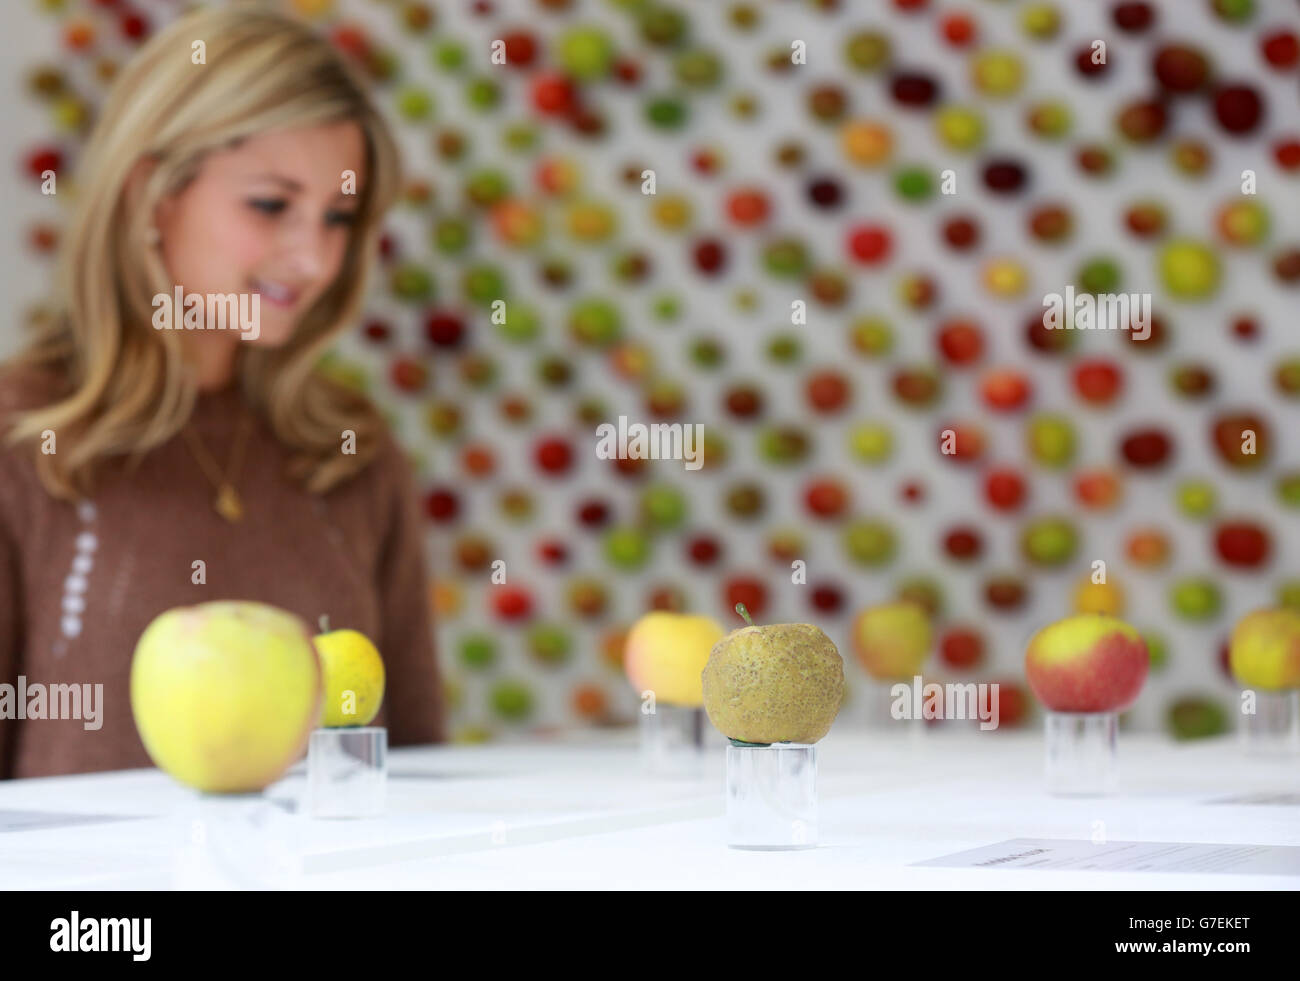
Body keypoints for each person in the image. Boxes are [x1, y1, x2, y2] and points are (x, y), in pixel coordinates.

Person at [0, 6, 446, 779]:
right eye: (271, 204)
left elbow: (413, 769)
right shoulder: (23, 442)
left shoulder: (351, 451)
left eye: (339, 216)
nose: (312, 257)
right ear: (154, 194)